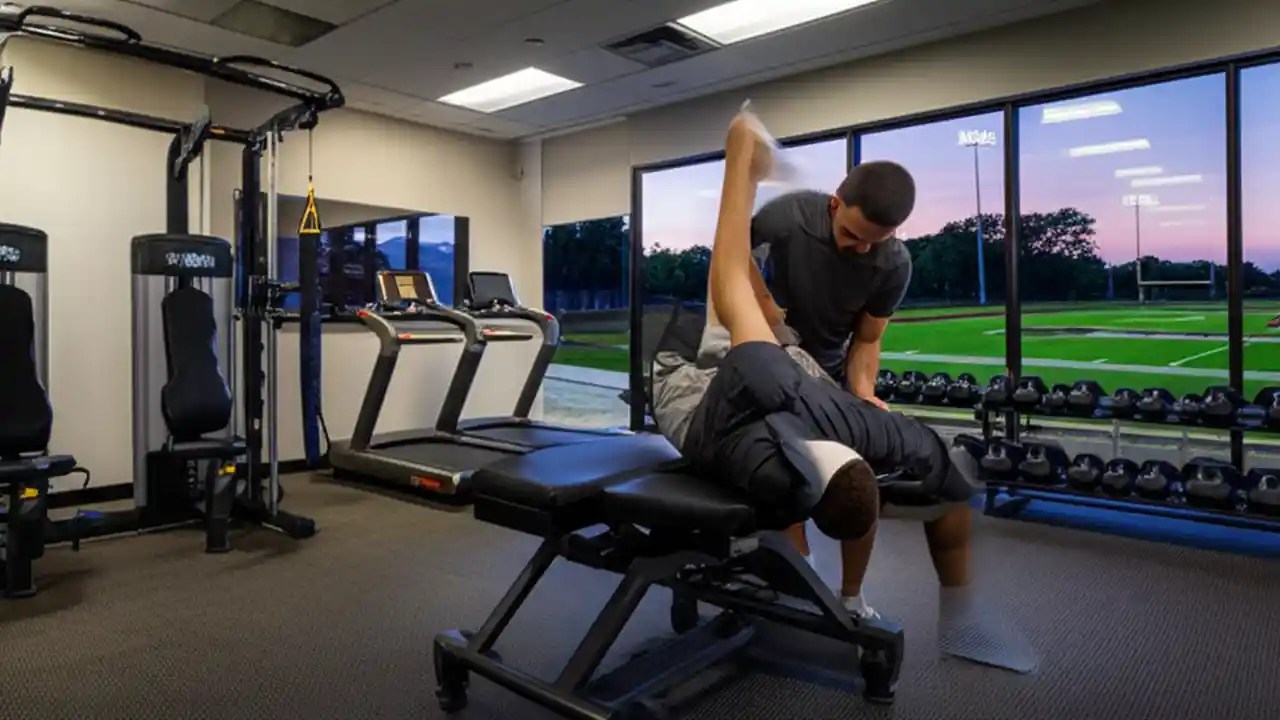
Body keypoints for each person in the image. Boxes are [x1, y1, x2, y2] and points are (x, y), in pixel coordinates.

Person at [652, 108, 981, 621]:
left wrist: (863, 392)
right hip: (767, 344)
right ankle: (795, 571)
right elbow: (734, 261)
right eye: (853, 235)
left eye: (877, 239)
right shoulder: (790, 218)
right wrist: (765, 312)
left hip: (814, 368)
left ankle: (851, 595)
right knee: (790, 455)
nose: (863, 248)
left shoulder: (895, 263)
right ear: (835, 205)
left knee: (842, 454)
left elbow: (867, 340)